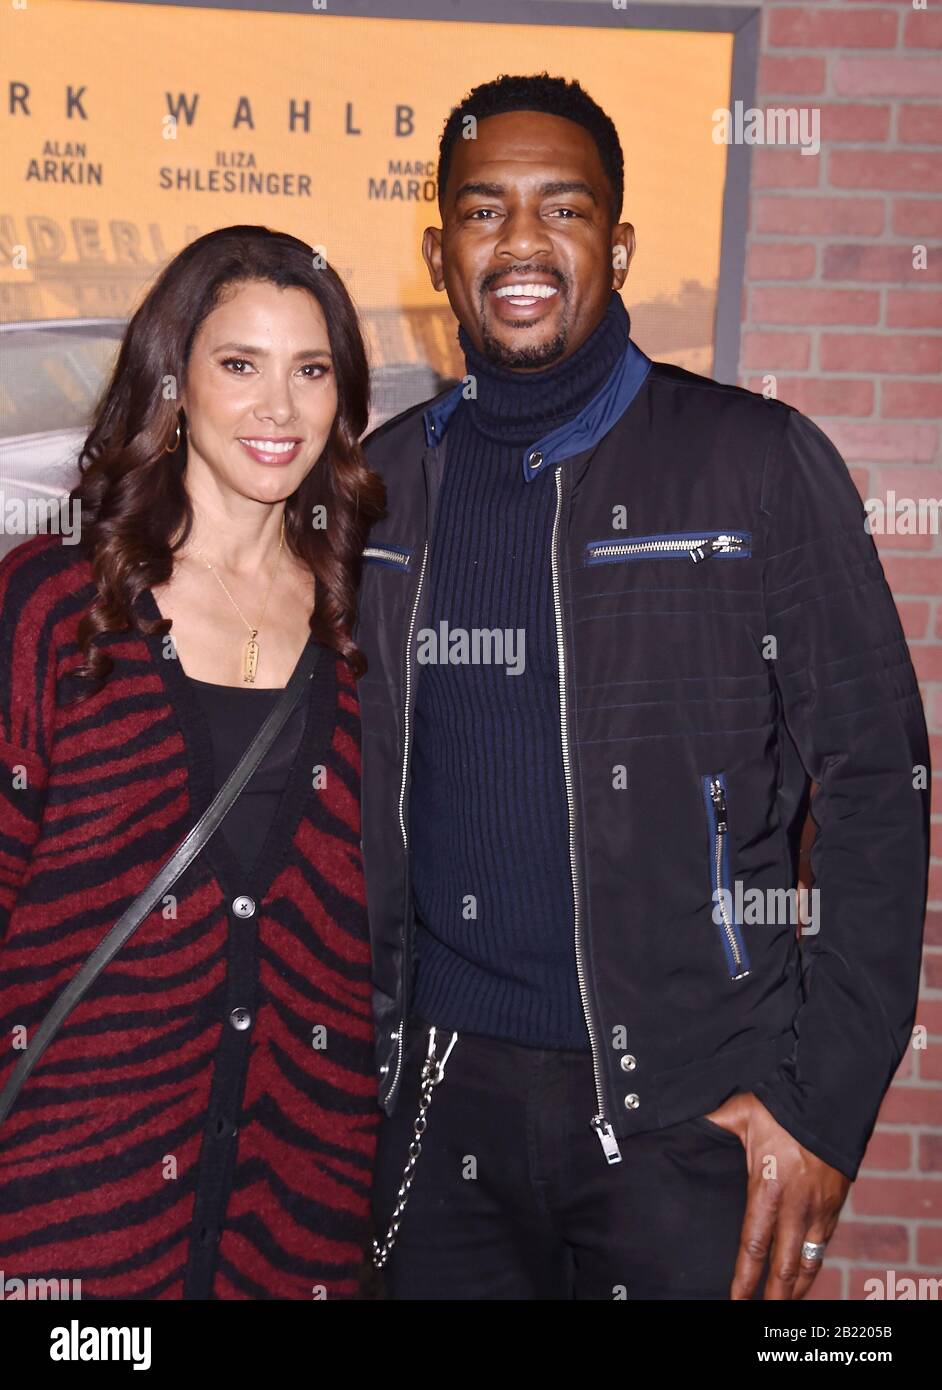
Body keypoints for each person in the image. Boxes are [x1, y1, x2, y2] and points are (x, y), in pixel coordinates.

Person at [356, 74, 931, 1300]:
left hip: (688, 1118)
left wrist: (823, 1108)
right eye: (483, 209)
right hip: (441, 1103)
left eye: (561, 209)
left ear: (615, 246)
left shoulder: (755, 463)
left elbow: (880, 787)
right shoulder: (379, 492)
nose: (520, 242)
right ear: (438, 252)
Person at [0, 225, 385, 1299]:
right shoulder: (57, 605)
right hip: (67, 1214)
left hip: (293, 1213)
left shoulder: (365, 626)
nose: (278, 408)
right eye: (240, 365)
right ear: (174, 386)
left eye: (310, 370)